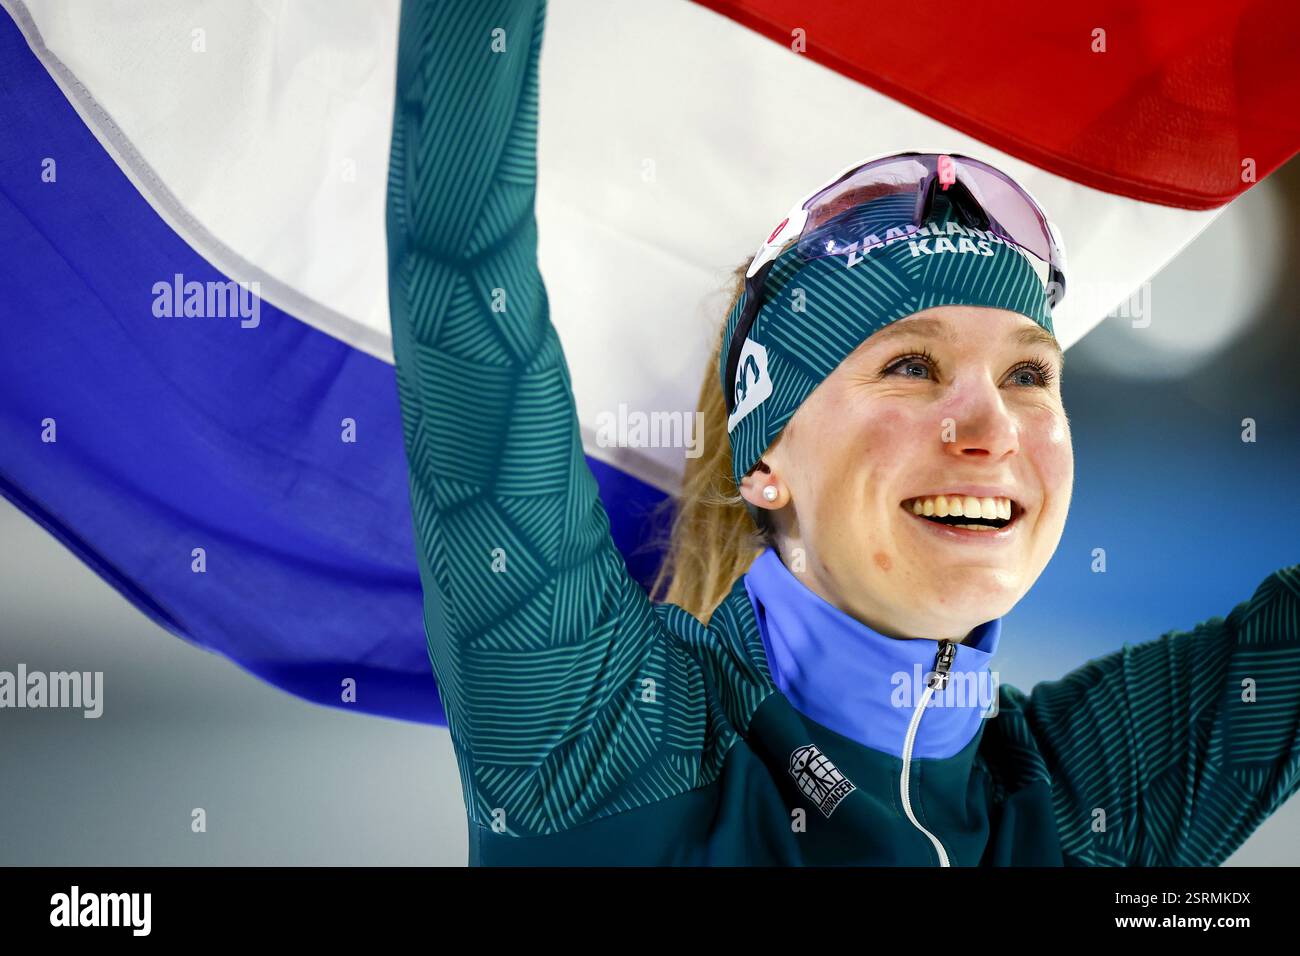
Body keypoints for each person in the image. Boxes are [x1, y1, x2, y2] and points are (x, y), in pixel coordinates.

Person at [385, 0, 1300, 865]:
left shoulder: (1076, 800)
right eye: (911, 367)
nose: (991, 428)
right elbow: (458, 268)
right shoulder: (608, 738)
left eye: (1028, 375)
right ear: (765, 464)